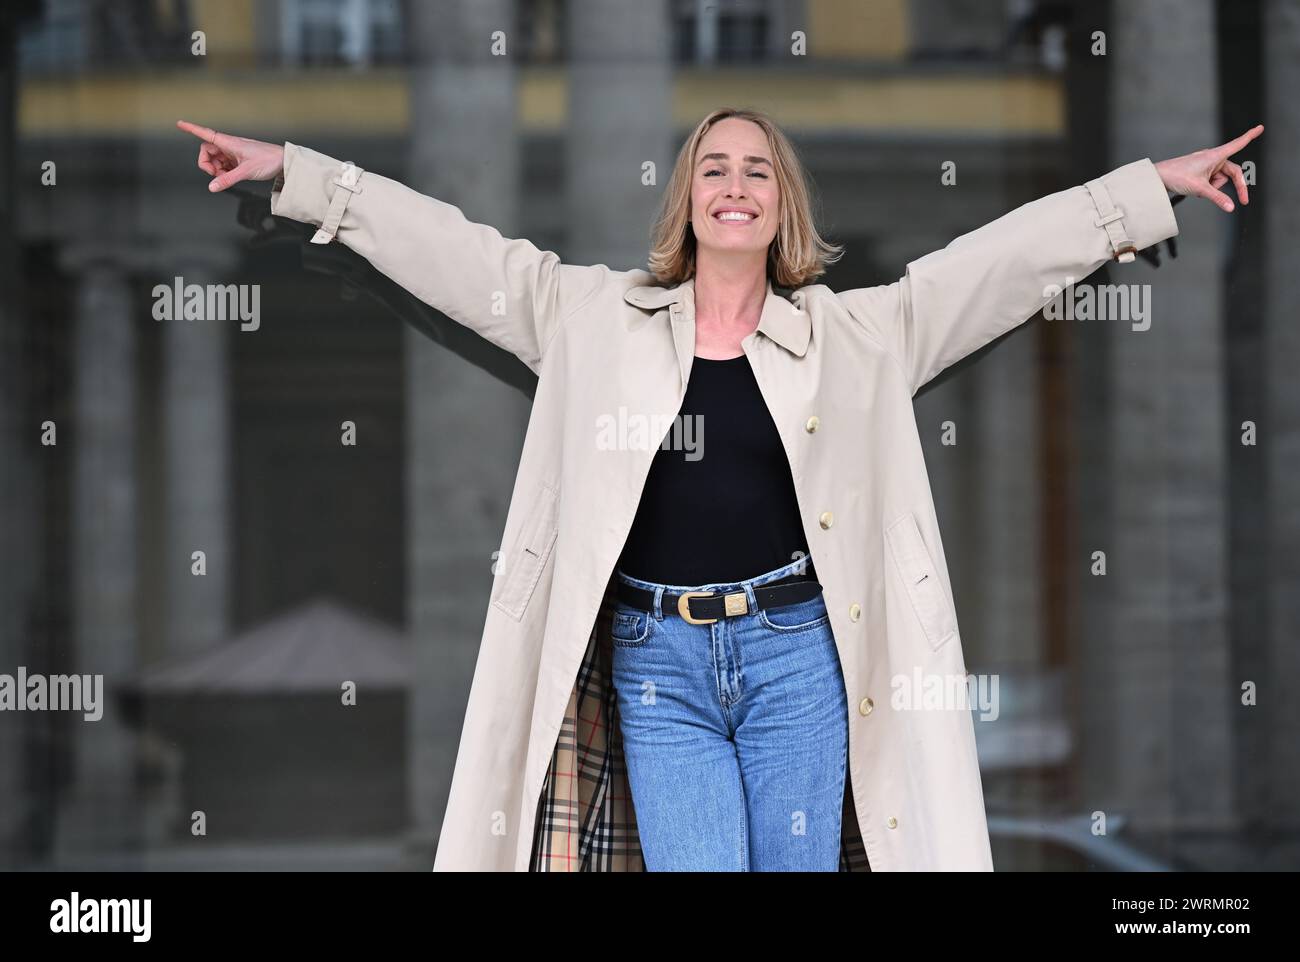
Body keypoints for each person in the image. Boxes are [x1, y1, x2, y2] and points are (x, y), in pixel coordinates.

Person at [177, 110, 1262, 872]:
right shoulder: (587, 315)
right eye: (713, 167)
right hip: (660, 668)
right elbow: (456, 255)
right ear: (687, 200)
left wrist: (1146, 189)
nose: (734, 183)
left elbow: (994, 263)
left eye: (756, 169)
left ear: (779, 201)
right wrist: (298, 172)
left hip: (797, 655)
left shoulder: (858, 332)